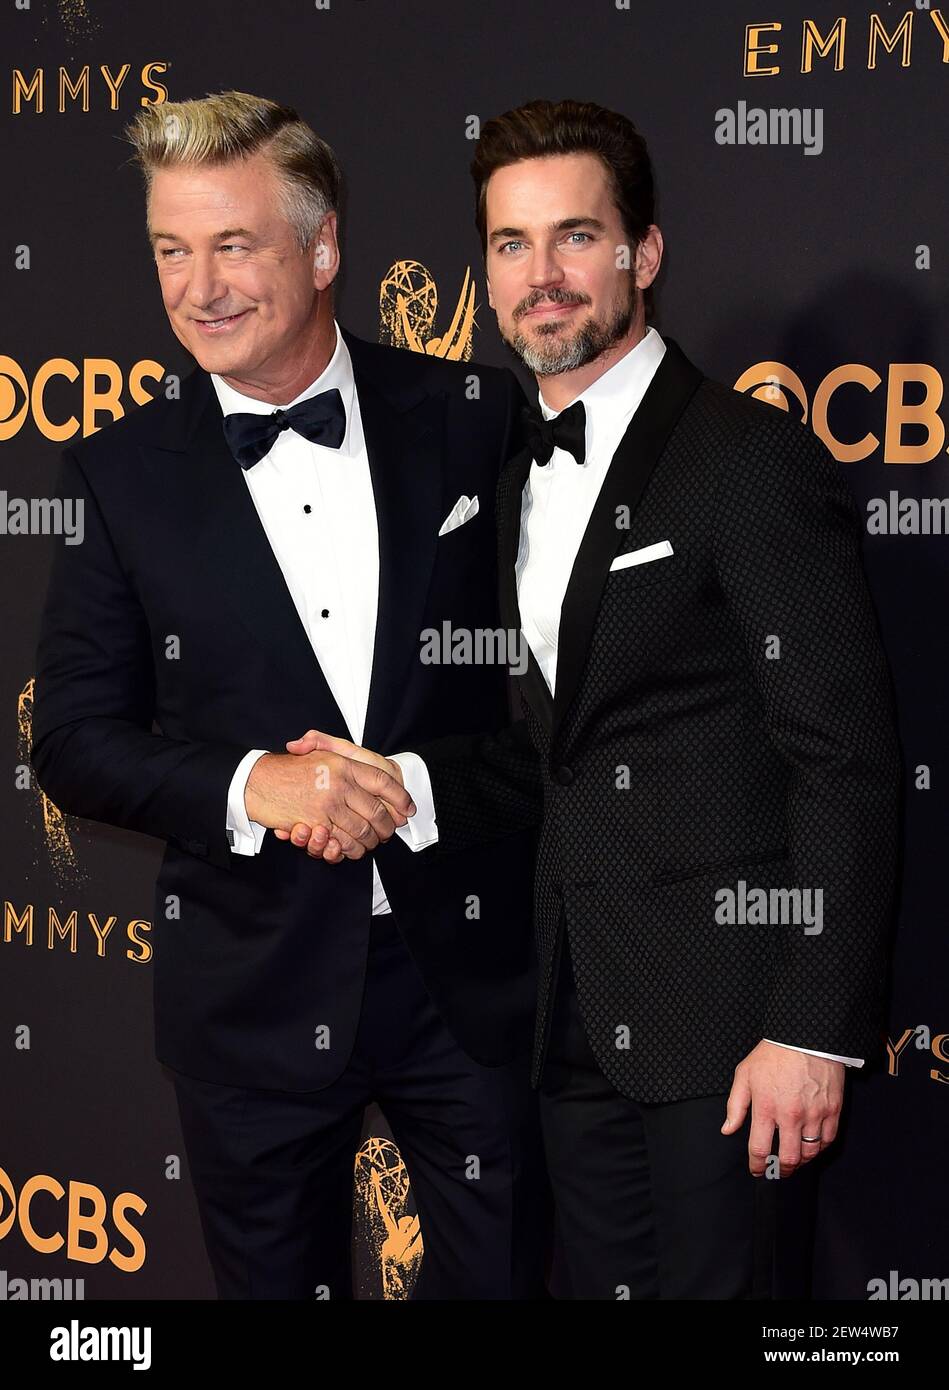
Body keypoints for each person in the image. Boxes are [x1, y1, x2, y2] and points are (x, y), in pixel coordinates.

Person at [282, 98, 903, 1299]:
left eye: (576, 237)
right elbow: (549, 752)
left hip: (734, 1033)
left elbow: (846, 757)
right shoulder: (508, 466)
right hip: (568, 1018)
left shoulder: (744, 458)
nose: (542, 276)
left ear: (644, 255)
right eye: (510, 246)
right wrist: (399, 784)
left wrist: (812, 1026)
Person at [30, 90, 548, 1300]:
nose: (197, 286)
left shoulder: (473, 419)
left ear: (322, 251)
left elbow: (568, 699)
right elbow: (71, 738)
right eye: (170, 248)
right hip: (250, 1001)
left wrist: (415, 791)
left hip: (468, 980)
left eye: (233, 244)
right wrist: (255, 783)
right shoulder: (116, 471)